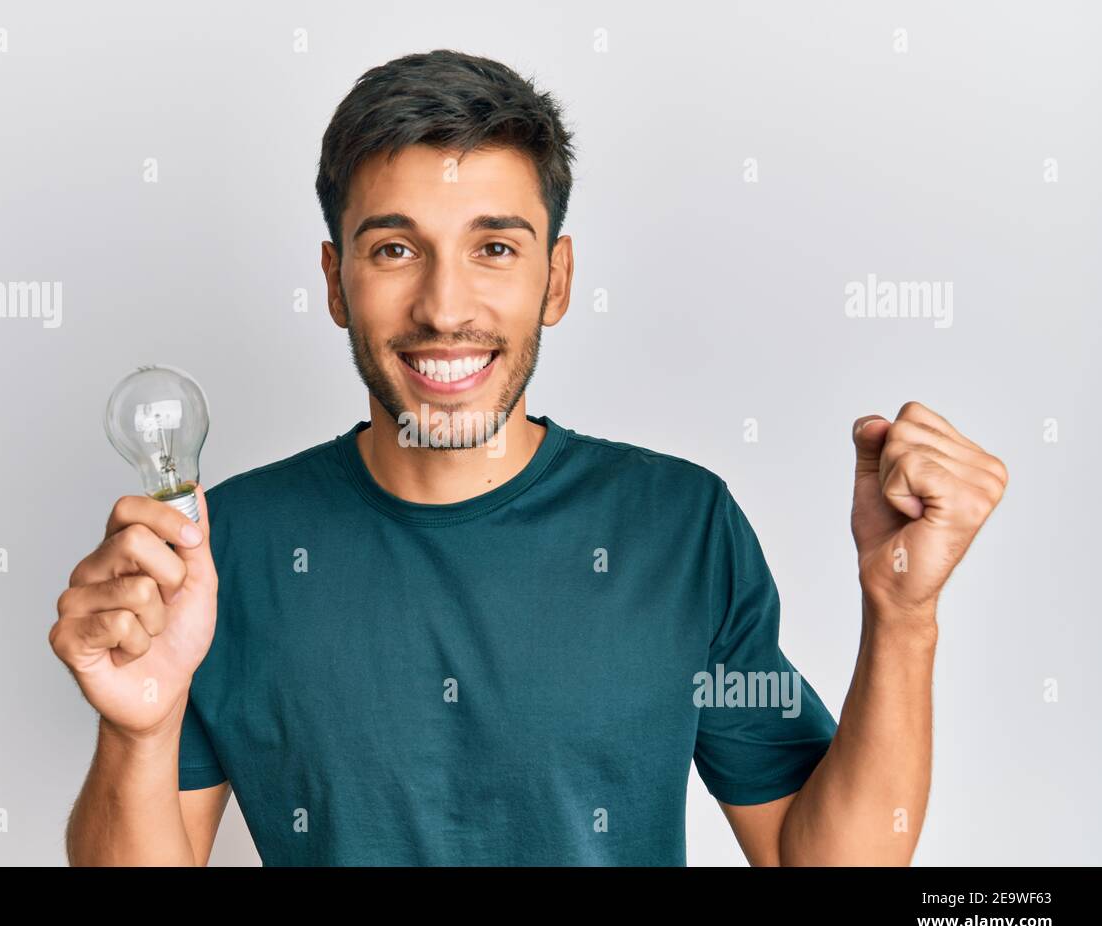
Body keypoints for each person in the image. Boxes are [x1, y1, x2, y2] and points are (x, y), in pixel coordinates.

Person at [51, 49, 1008, 866]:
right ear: (336, 283)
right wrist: (136, 732)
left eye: (495, 249)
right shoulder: (226, 554)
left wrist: (903, 612)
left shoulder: (680, 527)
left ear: (556, 279)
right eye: (394, 250)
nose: (444, 308)